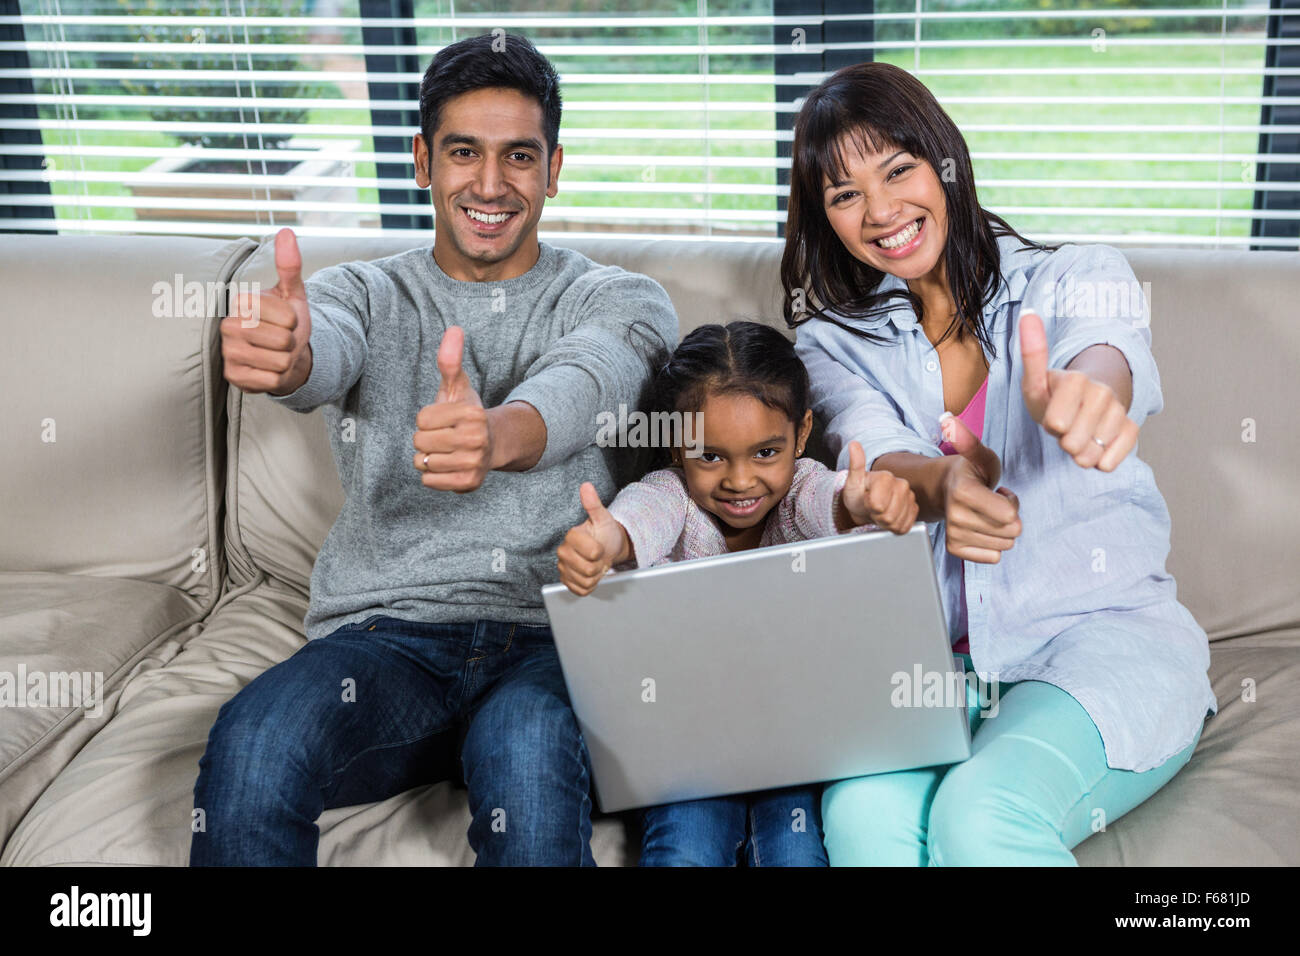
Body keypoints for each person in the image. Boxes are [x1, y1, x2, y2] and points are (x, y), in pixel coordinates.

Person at [192, 33, 678, 866]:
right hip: (385, 641)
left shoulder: (617, 297)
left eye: (518, 156)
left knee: (523, 757)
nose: (490, 185)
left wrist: (500, 434)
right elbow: (322, 349)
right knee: (255, 744)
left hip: (554, 634)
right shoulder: (363, 292)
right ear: (422, 160)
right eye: (463, 153)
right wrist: (291, 357)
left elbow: (593, 377)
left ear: (554, 169)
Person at [781, 62, 1218, 865]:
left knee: (981, 817)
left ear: (945, 160)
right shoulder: (831, 343)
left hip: (1098, 643)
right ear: (824, 217)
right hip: (934, 672)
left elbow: (1106, 351)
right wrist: (946, 483)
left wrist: (1089, 395)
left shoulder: (1075, 276)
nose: (881, 212)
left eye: (899, 169)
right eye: (844, 195)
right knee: (862, 827)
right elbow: (876, 447)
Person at [555, 321, 918, 866]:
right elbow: (639, 522)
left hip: (799, 742)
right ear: (676, 444)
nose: (741, 480)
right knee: (685, 848)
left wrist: (863, 502)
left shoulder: (801, 490)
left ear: (801, 435)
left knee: (794, 851)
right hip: (688, 746)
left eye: (766, 453)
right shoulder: (670, 497)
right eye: (710, 457)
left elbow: (832, 501)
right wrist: (608, 541)